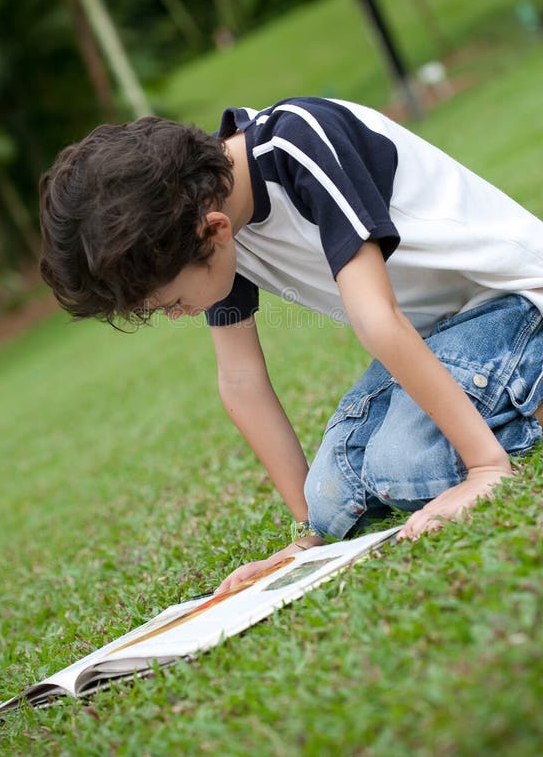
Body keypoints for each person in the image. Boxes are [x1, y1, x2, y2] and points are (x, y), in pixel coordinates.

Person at [39, 97, 543, 591]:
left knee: (403, 465)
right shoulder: (212, 220)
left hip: (513, 298)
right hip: (442, 337)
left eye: (169, 303)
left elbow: (376, 318)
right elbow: (240, 379)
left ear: (211, 233)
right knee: (330, 496)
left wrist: (483, 467)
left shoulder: (300, 141)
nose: (173, 314)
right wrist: (313, 536)